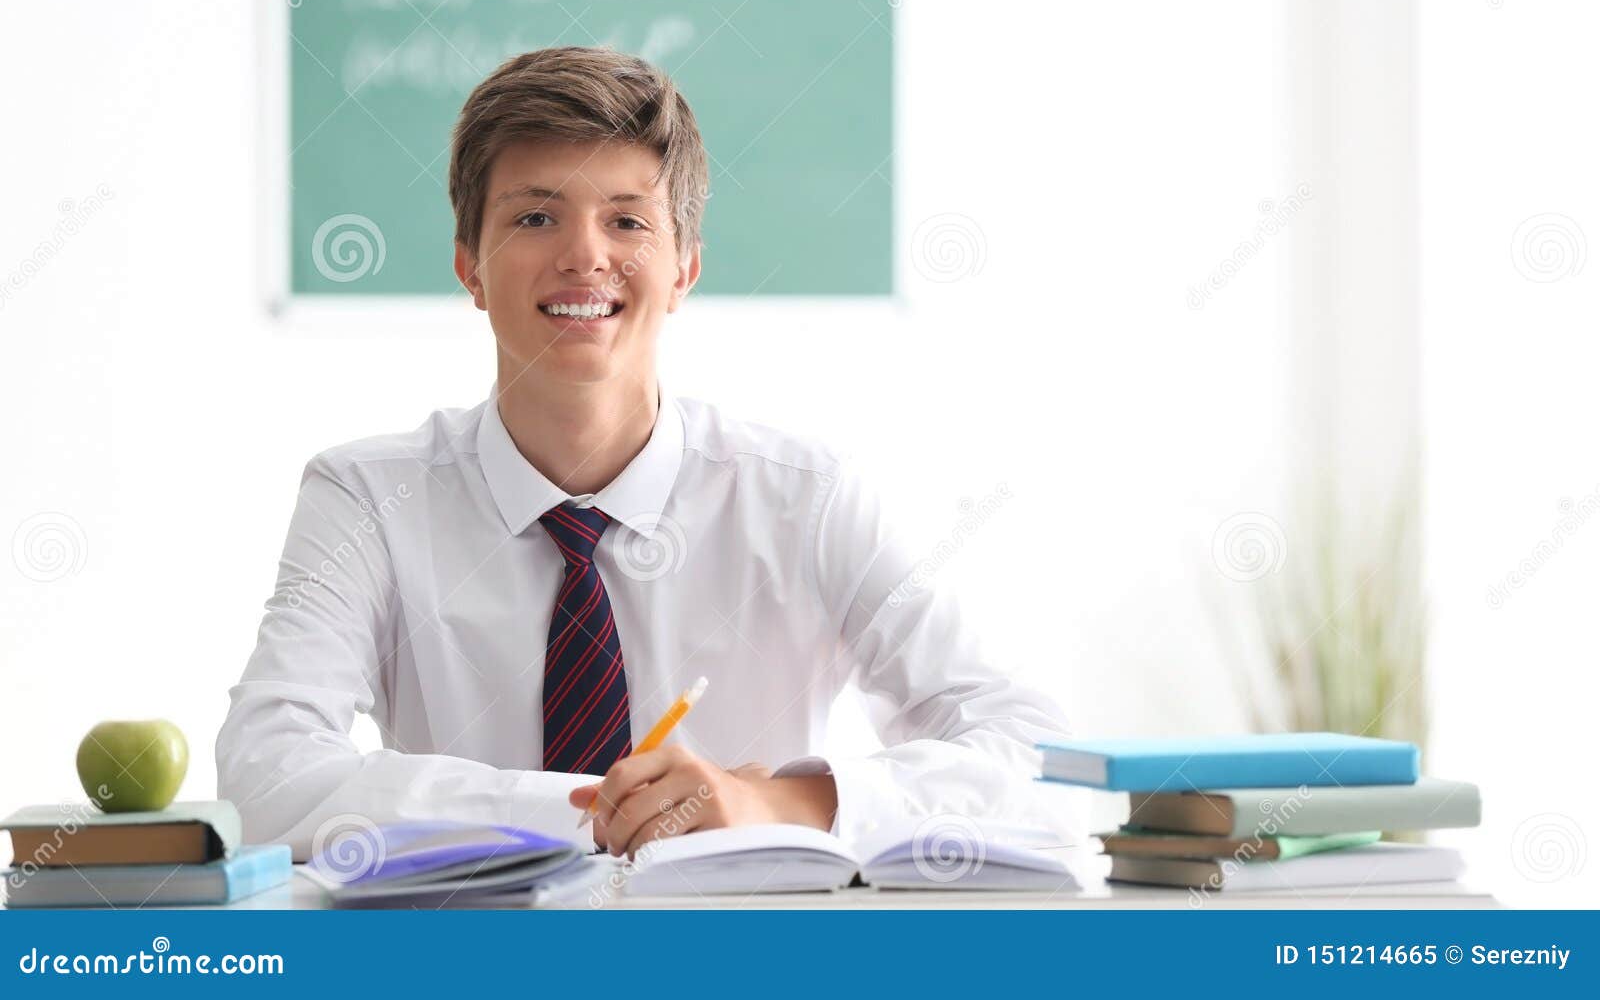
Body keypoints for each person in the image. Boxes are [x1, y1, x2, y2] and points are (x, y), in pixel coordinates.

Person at [216, 46, 1076, 863]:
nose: (585, 254)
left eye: (627, 219)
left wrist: (779, 805)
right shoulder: (367, 497)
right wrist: (585, 812)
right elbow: (267, 775)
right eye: (535, 215)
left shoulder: (805, 498)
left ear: (683, 270)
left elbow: (1042, 760)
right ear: (469, 266)